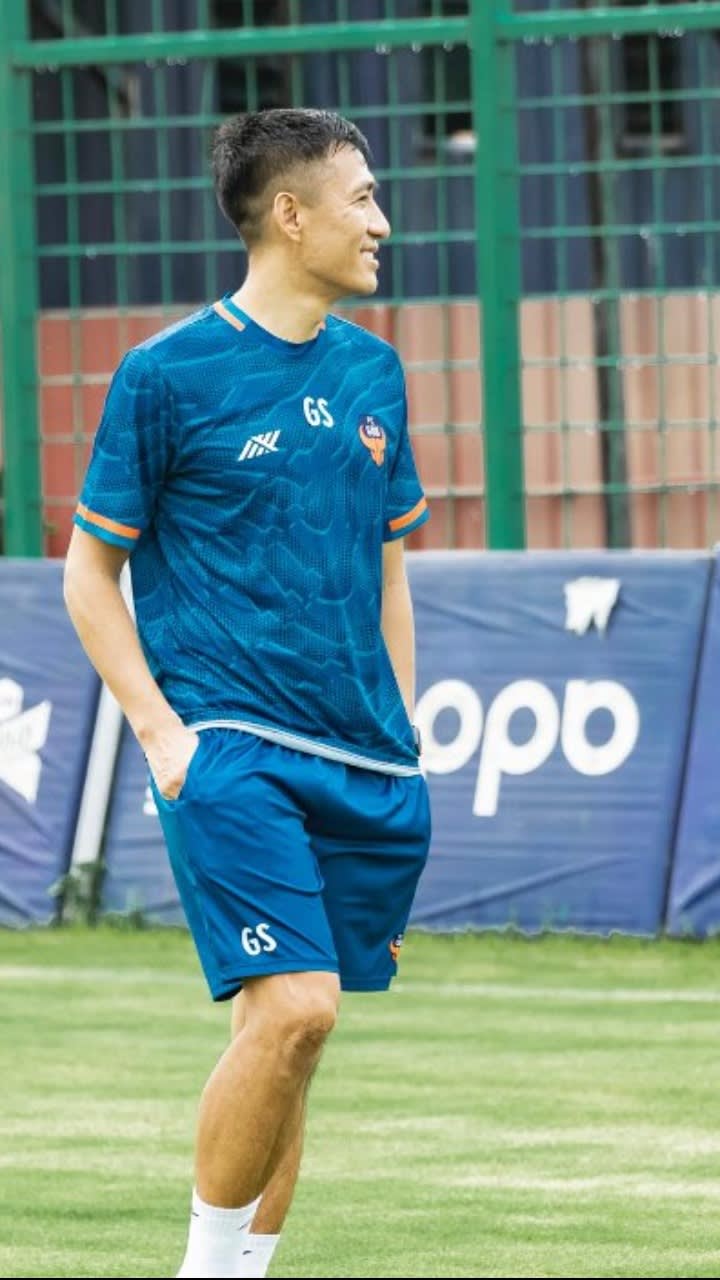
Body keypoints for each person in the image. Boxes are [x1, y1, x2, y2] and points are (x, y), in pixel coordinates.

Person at [63, 107, 431, 1279]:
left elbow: (389, 568)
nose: (381, 222)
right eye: (361, 198)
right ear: (288, 214)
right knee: (299, 1007)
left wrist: (405, 725)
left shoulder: (375, 371)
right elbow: (88, 574)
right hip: (228, 742)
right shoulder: (164, 374)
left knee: (290, 1040)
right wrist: (162, 733)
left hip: (366, 757)